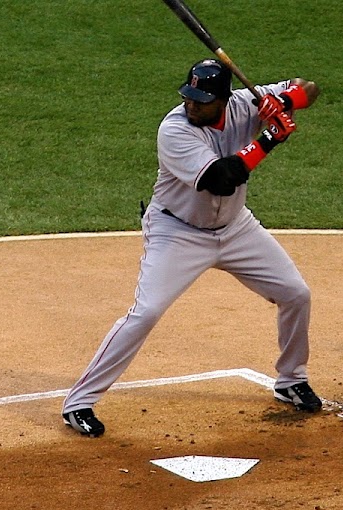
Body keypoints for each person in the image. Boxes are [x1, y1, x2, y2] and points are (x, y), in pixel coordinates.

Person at [61, 59, 323, 437]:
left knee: (296, 293)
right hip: (177, 232)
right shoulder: (174, 129)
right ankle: (79, 402)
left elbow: (309, 86)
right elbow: (222, 179)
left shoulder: (245, 102)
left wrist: (284, 101)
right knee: (145, 313)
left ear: (223, 99)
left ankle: (291, 379)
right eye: (189, 98)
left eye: (202, 101)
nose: (192, 106)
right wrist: (269, 138)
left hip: (235, 228)